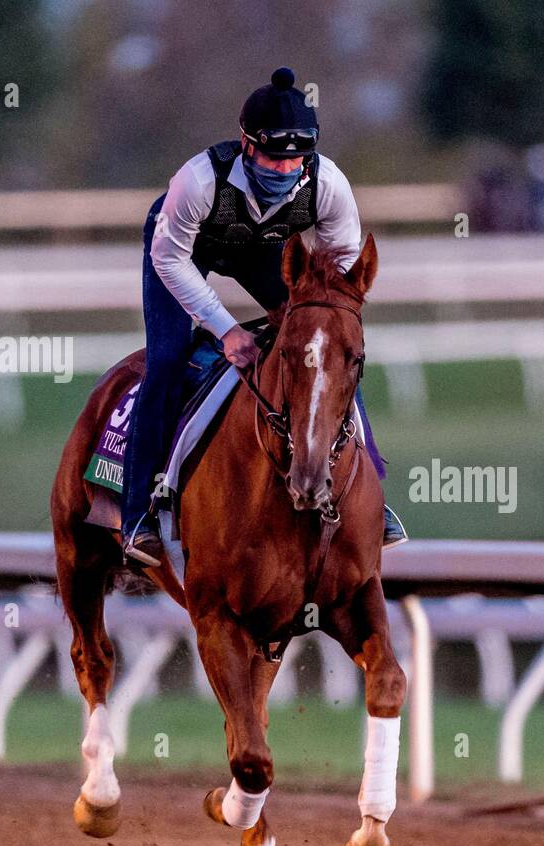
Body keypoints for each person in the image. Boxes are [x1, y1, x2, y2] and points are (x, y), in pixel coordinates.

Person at [121, 66, 406, 567]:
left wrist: (320, 324)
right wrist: (226, 330)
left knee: (329, 356)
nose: (284, 169)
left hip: (264, 250)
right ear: (247, 145)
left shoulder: (331, 186)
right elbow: (170, 259)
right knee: (166, 360)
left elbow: (338, 276)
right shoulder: (197, 182)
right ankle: (137, 513)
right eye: (273, 157)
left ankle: (371, 490)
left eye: (296, 159)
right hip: (186, 251)